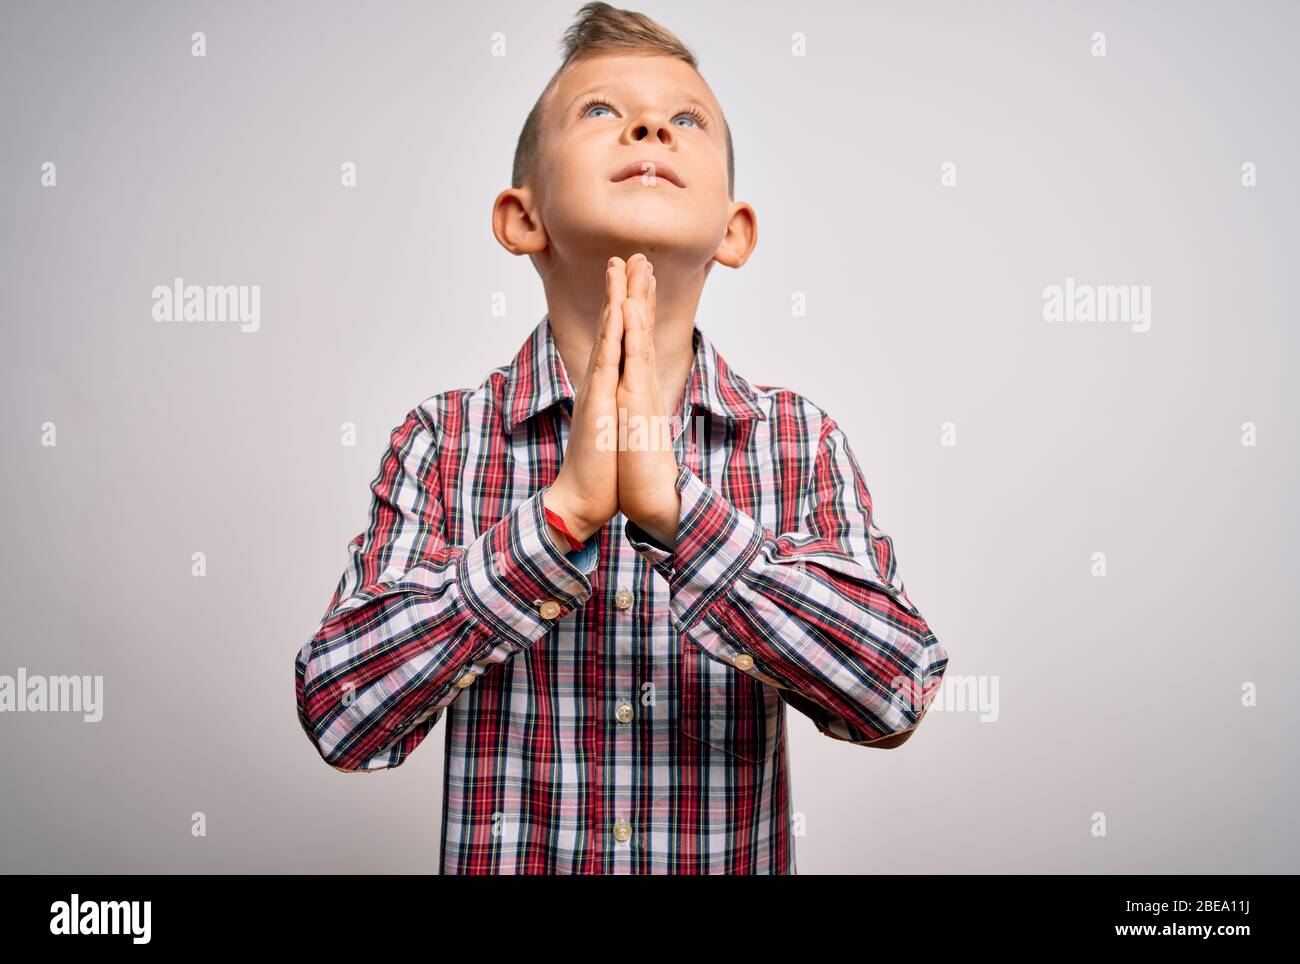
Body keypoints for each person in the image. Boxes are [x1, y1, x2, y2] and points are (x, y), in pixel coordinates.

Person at [295, 1, 948, 874]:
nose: (649, 125)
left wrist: (680, 517)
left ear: (733, 230)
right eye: (601, 111)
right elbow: (342, 713)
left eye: (687, 120)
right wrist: (560, 516)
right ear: (520, 218)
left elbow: (893, 692)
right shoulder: (442, 440)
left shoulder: (799, 440)